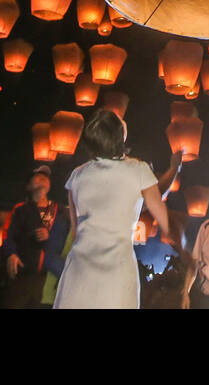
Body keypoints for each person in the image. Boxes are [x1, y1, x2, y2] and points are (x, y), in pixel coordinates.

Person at [52, 108, 174, 309]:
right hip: (117, 270)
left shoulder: (77, 175)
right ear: (120, 138)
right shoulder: (138, 170)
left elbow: (75, 232)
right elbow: (160, 213)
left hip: (80, 270)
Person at [1, 166, 62, 309]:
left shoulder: (60, 212)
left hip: (49, 279)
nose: (43, 177)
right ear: (28, 186)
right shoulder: (20, 209)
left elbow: (66, 241)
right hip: (23, 275)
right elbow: (8, 236)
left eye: (46, 176)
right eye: (37, 175)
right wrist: (11, 254)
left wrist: (50, 236)